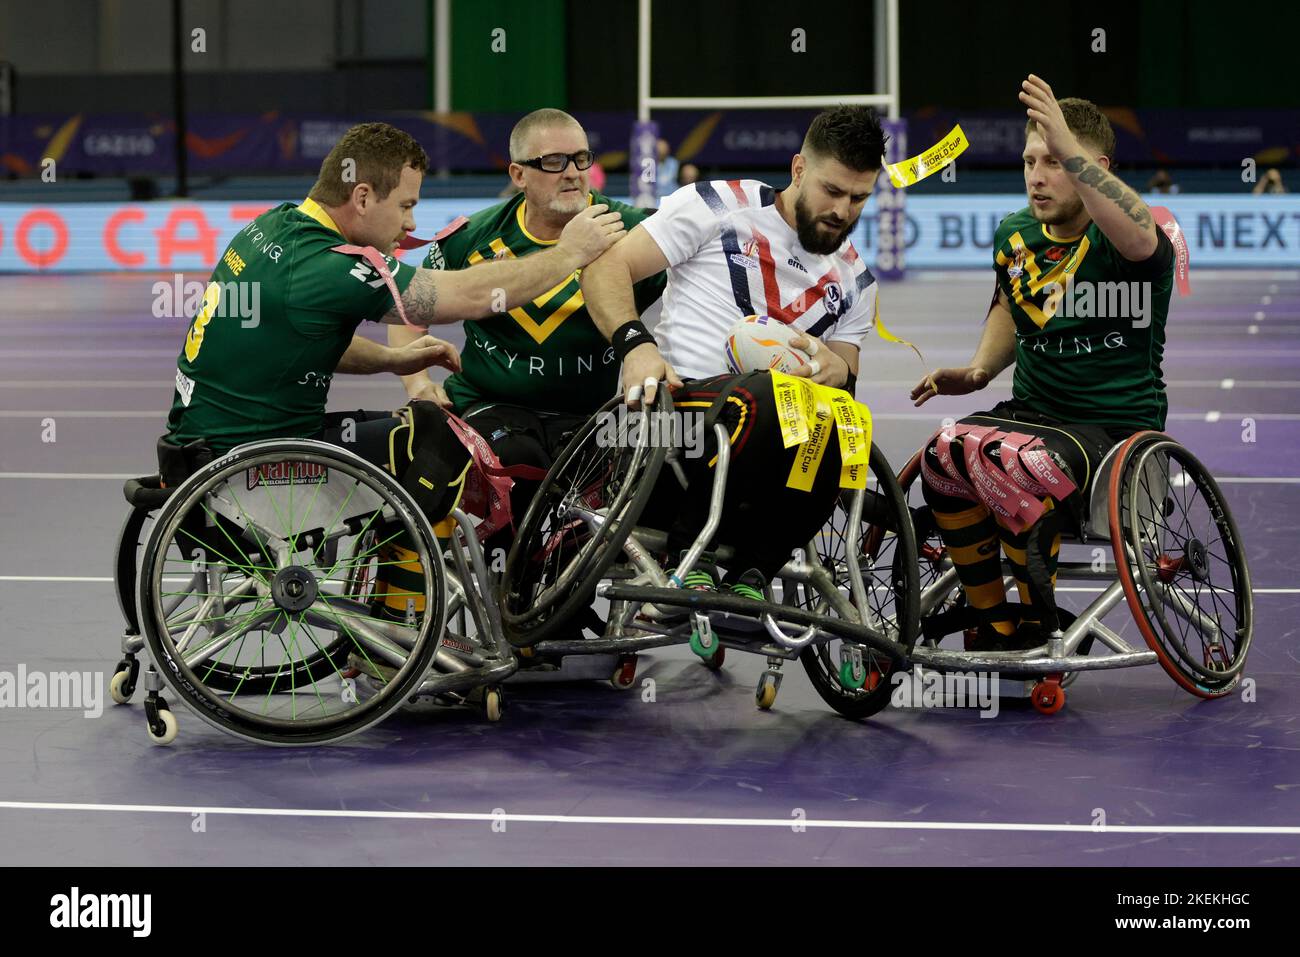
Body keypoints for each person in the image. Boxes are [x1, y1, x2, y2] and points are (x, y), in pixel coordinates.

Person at [161, 119, 625, 497]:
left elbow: (300, 340)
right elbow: (465, 296)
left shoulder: (274, 227)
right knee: (445, 441)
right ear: (362, 197)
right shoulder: (333, 268)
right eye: (405, 205)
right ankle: (404, 601)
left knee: (408, 426)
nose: (410, 223)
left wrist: (392, 360)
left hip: (199, 446)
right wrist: (568, 254)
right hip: (253, 461)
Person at [909, 76, 1176, 649]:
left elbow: (1138, 241)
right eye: (1031, 160)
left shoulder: (1135, 233)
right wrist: (980, 369)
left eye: (1055, 161)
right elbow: (1011, 305)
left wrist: (1069, 147)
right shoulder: (1015, 234)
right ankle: (994, 621)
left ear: (1092, 165)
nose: (1036, 174)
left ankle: (1039, 626)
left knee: (1014, 463)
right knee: (941, 455)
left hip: (1113, 433)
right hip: (1030, 412)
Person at [580, 106, 885, 591]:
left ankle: (753, 575)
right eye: (832, 191)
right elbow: (604, 270)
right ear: (799, 169)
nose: (843, 211)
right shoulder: (714, 205)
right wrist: (636, 344)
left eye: (859, 198)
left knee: (845, 426)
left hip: (773, 444)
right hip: (673, 422)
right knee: (767, 397)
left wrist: (837, 373)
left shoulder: (858, 282)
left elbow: (846, 376)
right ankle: (691, 550)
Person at [387, 109, 665, 542]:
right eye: (553, 162)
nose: (572, 174)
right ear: (518, 174)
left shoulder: (633, 232)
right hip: (487, 410)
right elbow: (409, 309)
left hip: (587, 419)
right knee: (508, 459)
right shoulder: (470, 237)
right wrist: (417, 385)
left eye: (581, 159)